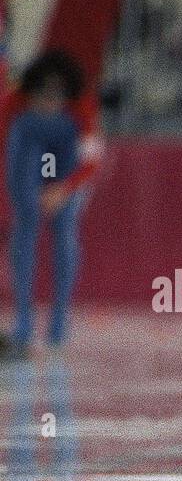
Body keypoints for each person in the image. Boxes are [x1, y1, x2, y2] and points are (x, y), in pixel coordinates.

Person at [2, 51, 102, 357]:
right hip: (28, 163)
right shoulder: (15, 102)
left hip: (68, 167)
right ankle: (23, 320)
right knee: (26, 228)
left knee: (64, 233)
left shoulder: (82, 105)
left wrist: (65, 188)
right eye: (41, 95)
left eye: (55, 96)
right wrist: (26, 191)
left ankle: (59, 321)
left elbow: (91, 159)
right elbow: (10, 145)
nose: (47, 103)